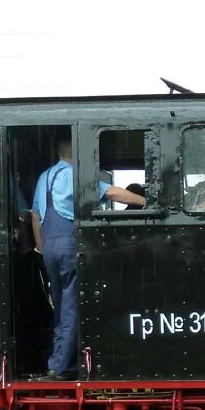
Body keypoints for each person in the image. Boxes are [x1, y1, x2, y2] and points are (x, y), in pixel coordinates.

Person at [30, 138, 146, 378]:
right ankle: (62, 366)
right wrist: (146, 201)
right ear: (77, 154)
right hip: (68, 243)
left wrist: (42, 247)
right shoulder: (73, 175)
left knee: (60, 306)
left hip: (49, 245)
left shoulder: (44, 177)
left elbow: (35, 215)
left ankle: (57, 359)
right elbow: (112, 192)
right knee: (74, 304)